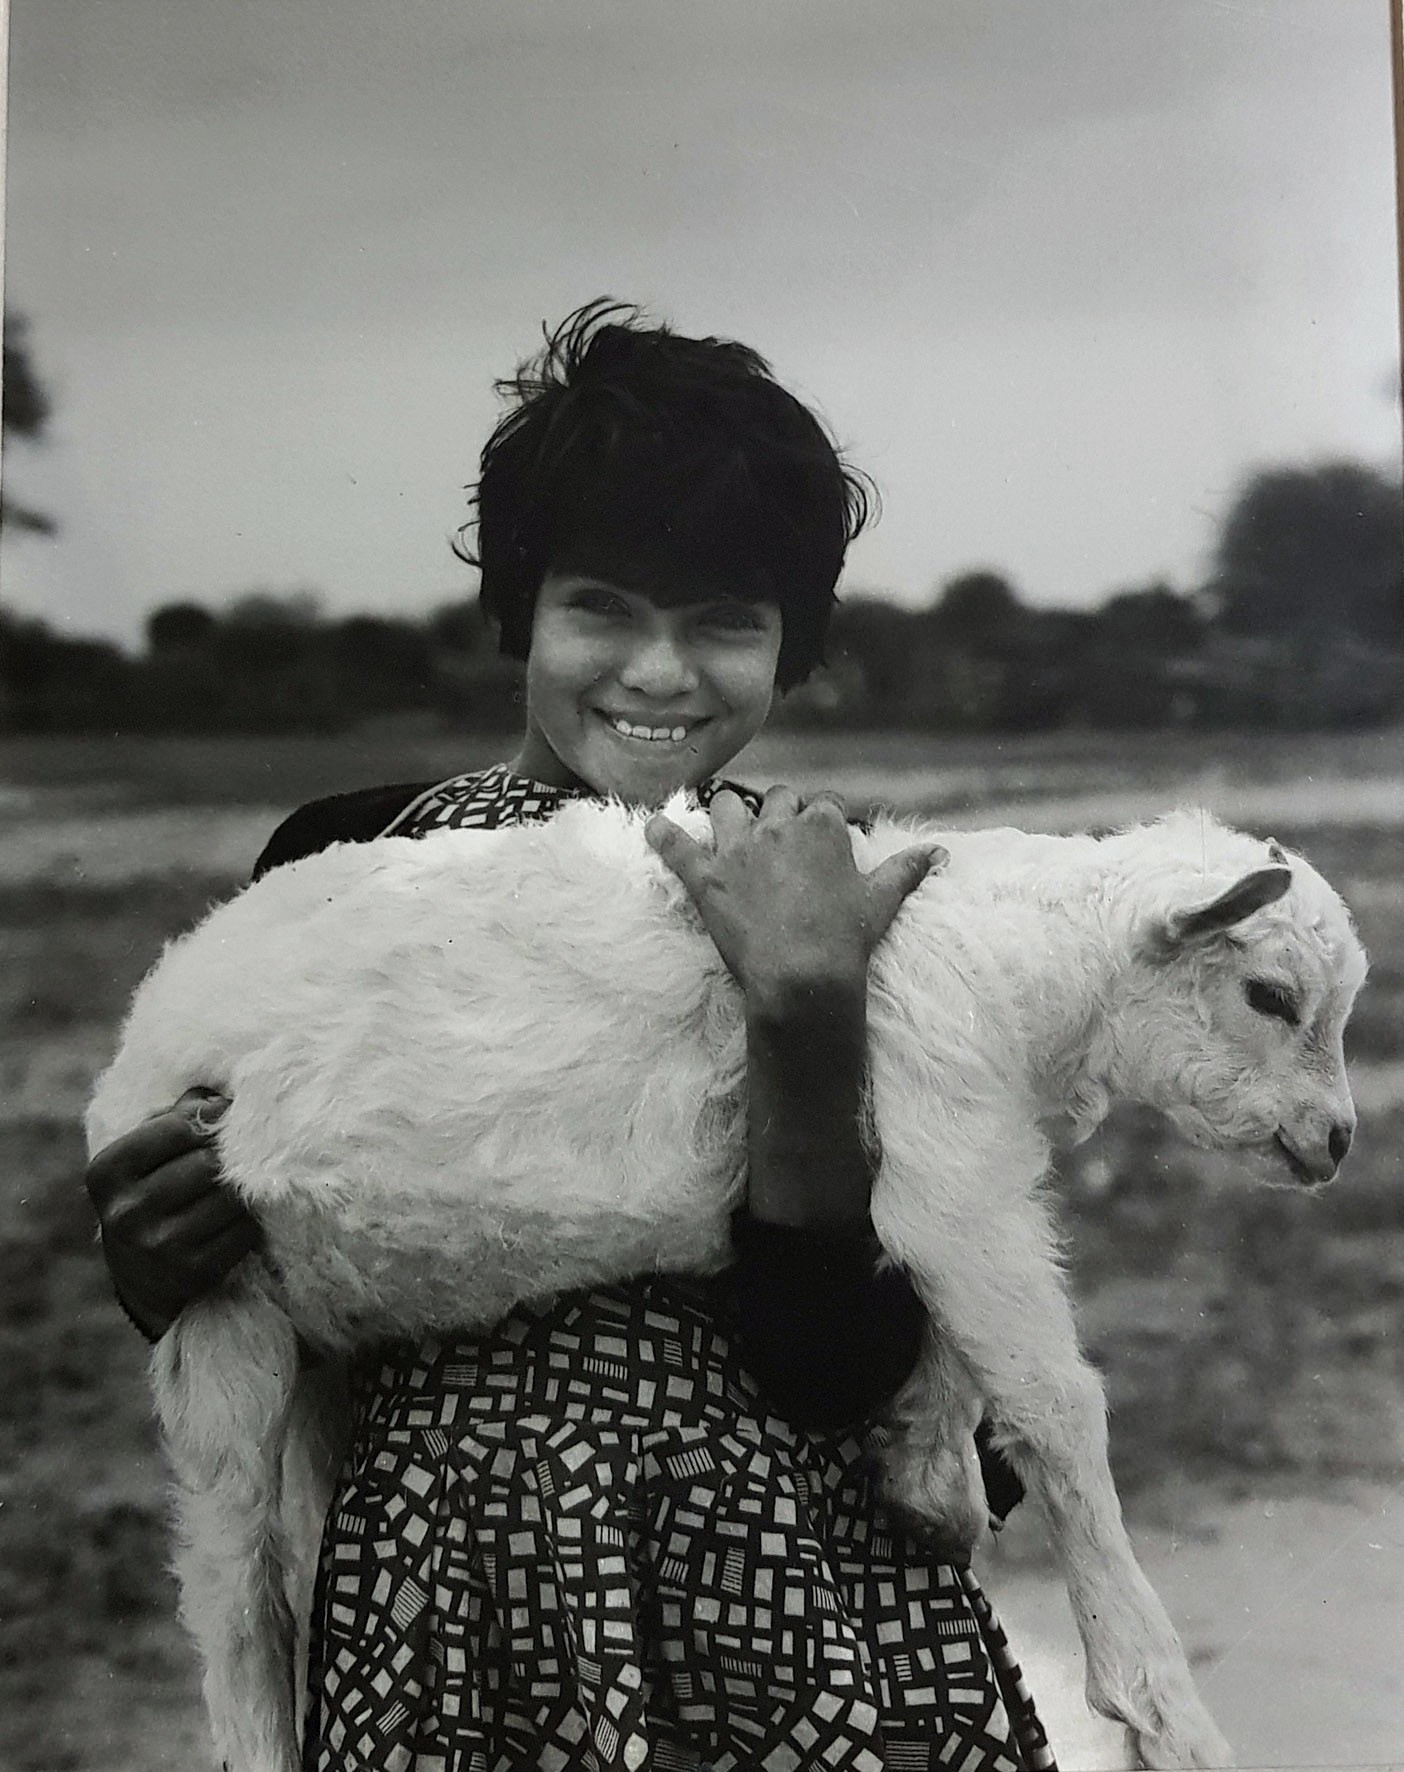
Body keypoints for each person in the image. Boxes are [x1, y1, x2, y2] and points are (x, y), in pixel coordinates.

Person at [85, 301, 1053, 1772]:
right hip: (439, 1595)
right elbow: (277, 1225)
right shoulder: (352, 864)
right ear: (521, 611)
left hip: (780, 1598)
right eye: (603, 606)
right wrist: (162, 1258)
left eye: (725, 620)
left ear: (792, 649)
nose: (659, 674)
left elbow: (833, 1367)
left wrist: (805, 1008)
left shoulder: (845, 901)